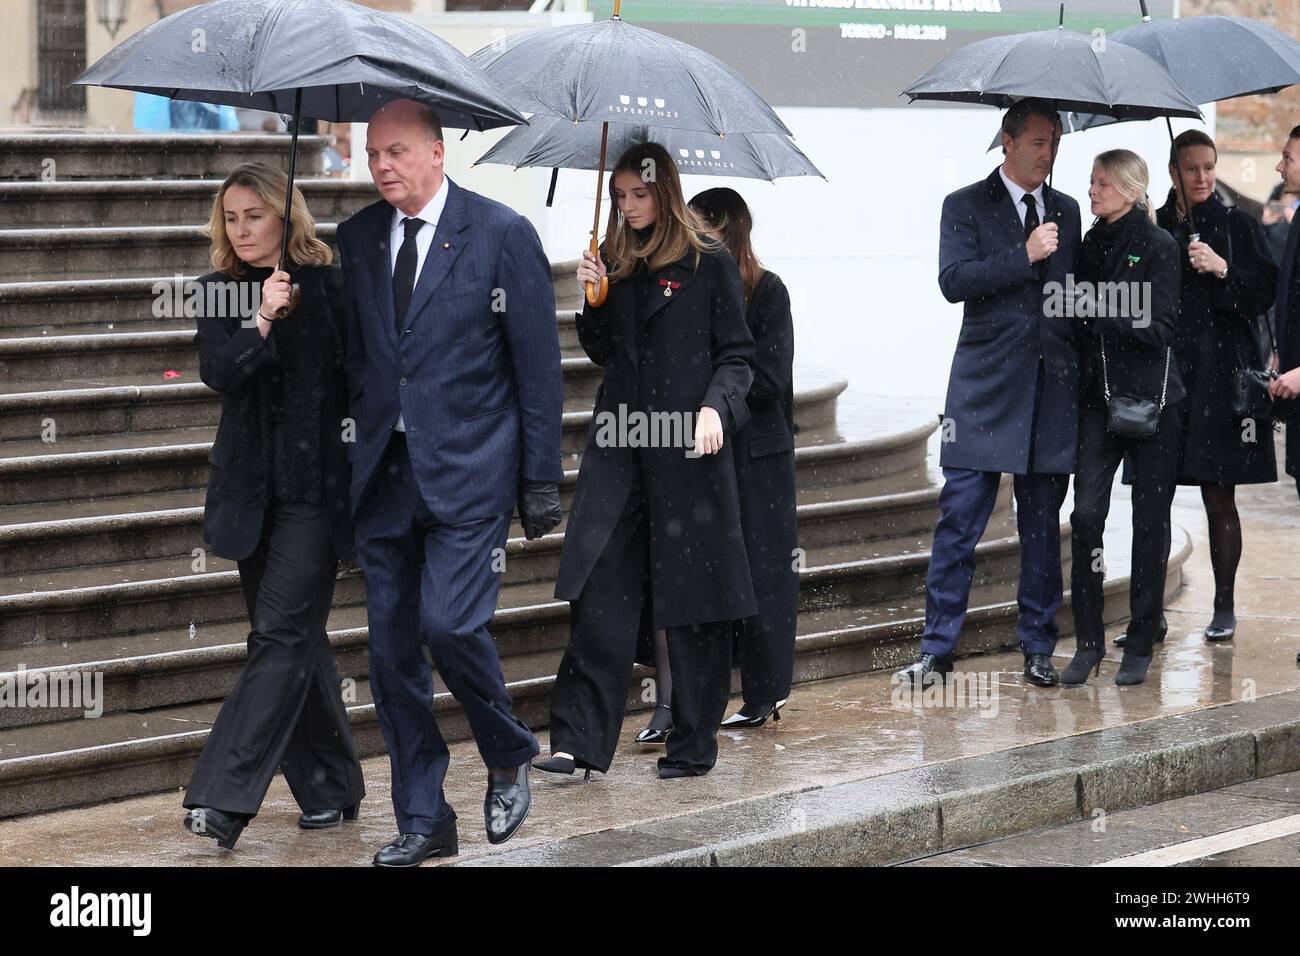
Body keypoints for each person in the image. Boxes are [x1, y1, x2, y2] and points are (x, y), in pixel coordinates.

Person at [336, 99, 565, 867]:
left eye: (396, 152)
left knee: (450, 627)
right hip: (382, 481)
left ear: (437, 153)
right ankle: (424, 817)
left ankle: (508, 749)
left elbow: (538, 371)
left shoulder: (501, 235)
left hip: (471, 475)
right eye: (373, 155)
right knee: (391, 661)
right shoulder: (358, 239)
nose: (382, 167)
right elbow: (354, 365)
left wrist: (540, 482)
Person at [537, 142, 757, 780]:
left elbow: (738, 356)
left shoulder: (708, 261)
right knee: (599, 581)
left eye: (641, 195)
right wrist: (595, 300)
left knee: (693, 597)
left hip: (688, 447)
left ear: (667, 192)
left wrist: (718, 408)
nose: (630, 207)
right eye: (621, 196)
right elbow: (603, 351)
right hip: (621, 445)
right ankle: (579, 741)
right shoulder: (614, 260)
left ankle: (692, 741)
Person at [183, 162, 365, 850]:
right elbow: (218, 373)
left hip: (317, 497)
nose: (242, 229)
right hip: (248, 493)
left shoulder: (332, 284)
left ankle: (222, 795)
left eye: (254, 215)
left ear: (286, 216)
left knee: (281, 638)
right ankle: (332, 786)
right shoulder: (218, 292)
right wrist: (261, 318)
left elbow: (364, 380)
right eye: (230, 218)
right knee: (296, 643)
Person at [894, 99, 1082, 689]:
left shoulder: (1068, 211)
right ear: (1006, 141)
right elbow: (955, 282)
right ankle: (937, 649)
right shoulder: (965, 205)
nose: (1045, 153)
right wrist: (1024, 255)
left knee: (1042, 530)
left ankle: (1037, 646)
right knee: (959, 524)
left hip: (1051, 391)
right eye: (1035, 142)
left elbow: (1075, 295)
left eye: (1053, 142)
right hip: (983, 388)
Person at [1125, 131, 1279, 647]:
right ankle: (1149, 616)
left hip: (1220, 383)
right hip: (1166, 382)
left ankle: (1225, 605)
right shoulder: (1152, 227)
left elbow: (1262, 294)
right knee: (1154, 500)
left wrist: (1221, 268)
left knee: (1219, 499)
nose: (1203, 178)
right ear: (1173, 172)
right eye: (1192, 169)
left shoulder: (1238, 225)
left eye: (1210, 168)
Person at [1063, 150, 1184, 687]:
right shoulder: (1089, 243)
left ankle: (1141, 635)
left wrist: (1102, 310)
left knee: (1149, 519)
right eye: (1090, 183)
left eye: (1103, 185)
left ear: (1133, 191)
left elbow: (1161, 327)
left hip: (1153, 403)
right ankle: (1088, 639)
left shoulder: (1160, 245)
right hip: (1097, 399)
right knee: (1086, 515)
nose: (1093, 192)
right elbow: (1072, 311)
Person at [694, 186, 798, 730]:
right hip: (711, 450)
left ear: (725, 228)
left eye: (700, 226)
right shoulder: (698, 287)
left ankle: (765, 694)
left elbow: (772, 377)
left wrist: (717, 388)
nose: (690, 236)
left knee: (765, 573)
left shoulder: (768, 292)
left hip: (759, 455)